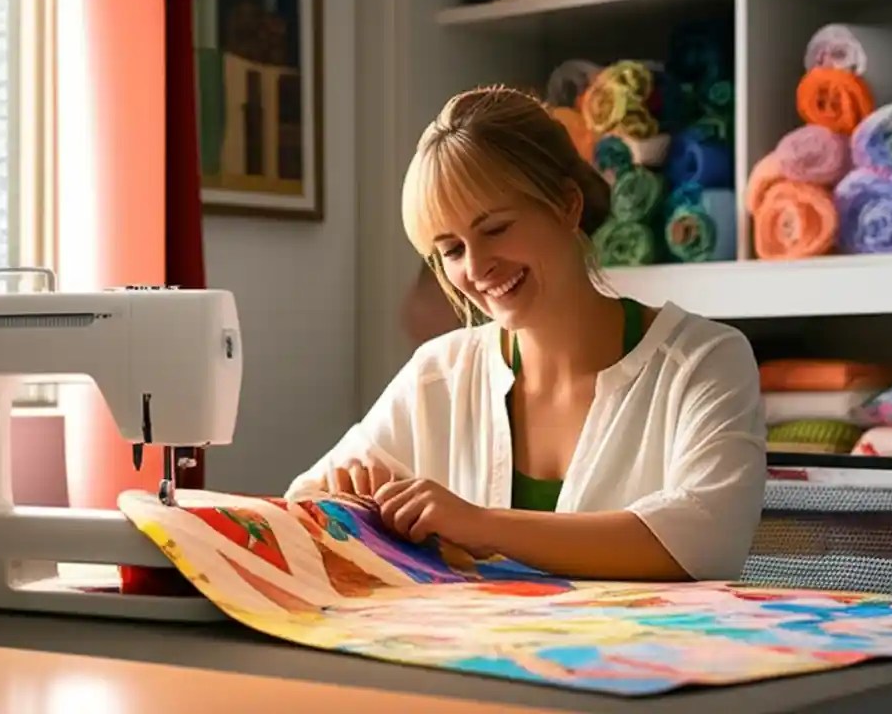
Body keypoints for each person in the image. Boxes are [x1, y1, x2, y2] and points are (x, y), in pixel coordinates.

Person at [285, 85, 767, 582]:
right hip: (467, 659)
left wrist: (479, 525)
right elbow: (299, 505)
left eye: (495, 229)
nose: (477, 268)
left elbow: (707, 542)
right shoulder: (438, 374)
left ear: (566, 206)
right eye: (451, 250)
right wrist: (344, 503)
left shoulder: (706, 361)